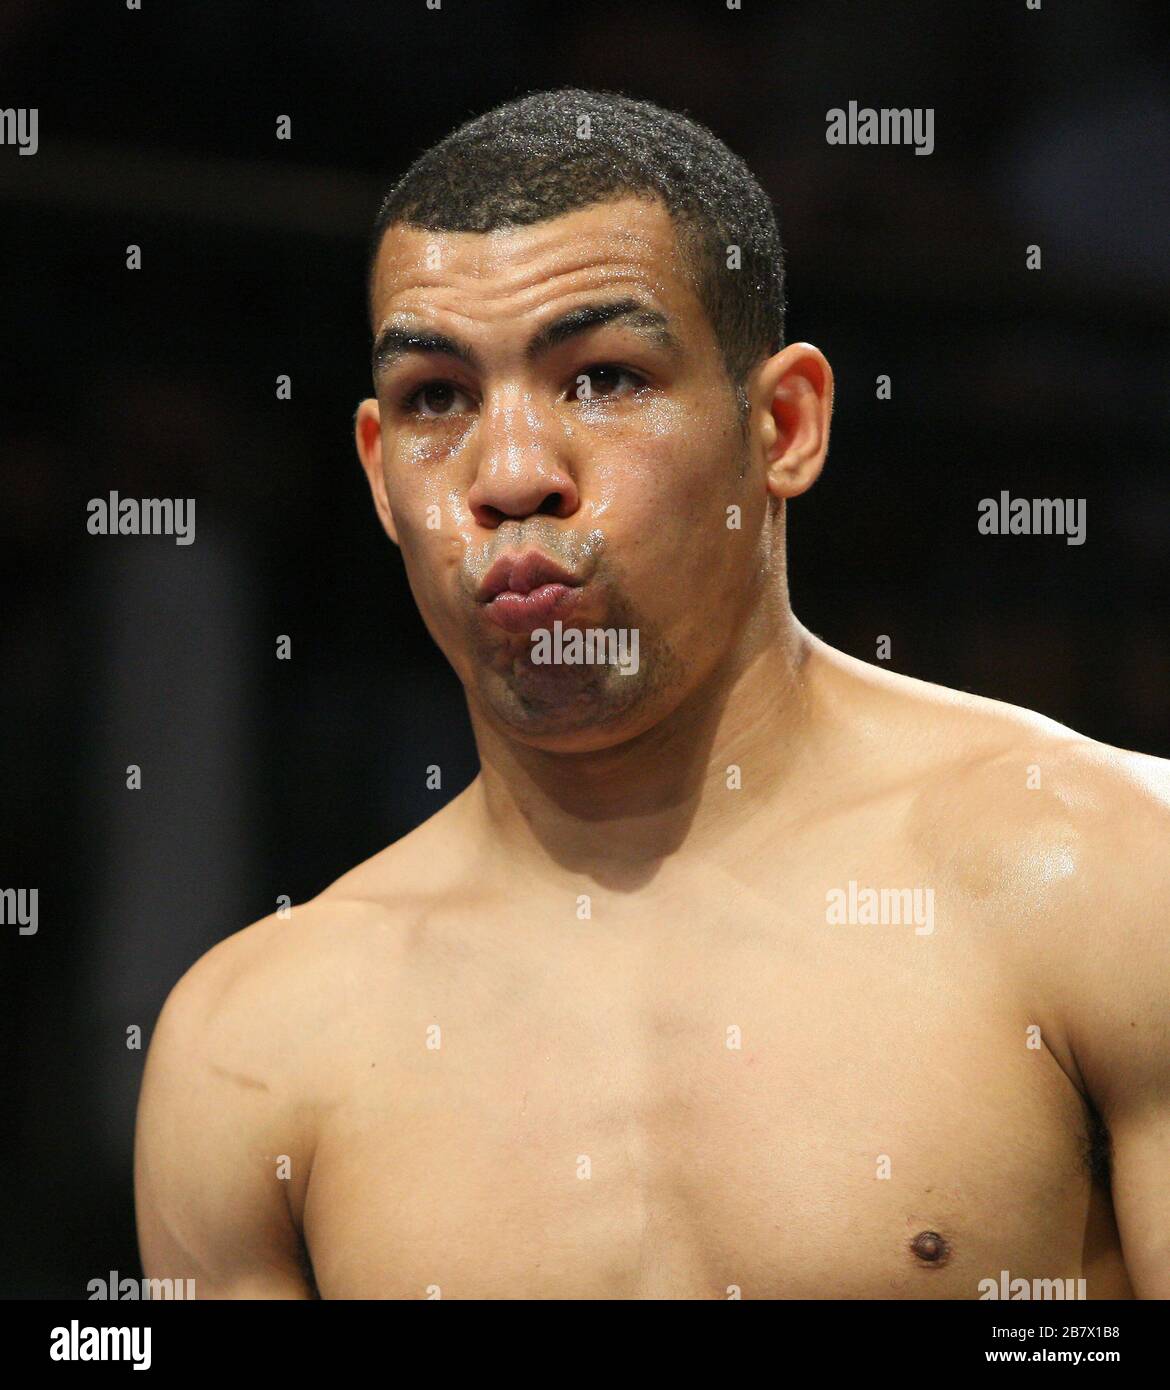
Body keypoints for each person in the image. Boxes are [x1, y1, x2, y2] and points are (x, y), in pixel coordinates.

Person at [135, 88, 1170, 1300]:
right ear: (378, 472)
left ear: (782, 424)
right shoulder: (250, 1043)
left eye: (604, 377)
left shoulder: (1109, 874)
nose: (510, 475)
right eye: (437, 398)